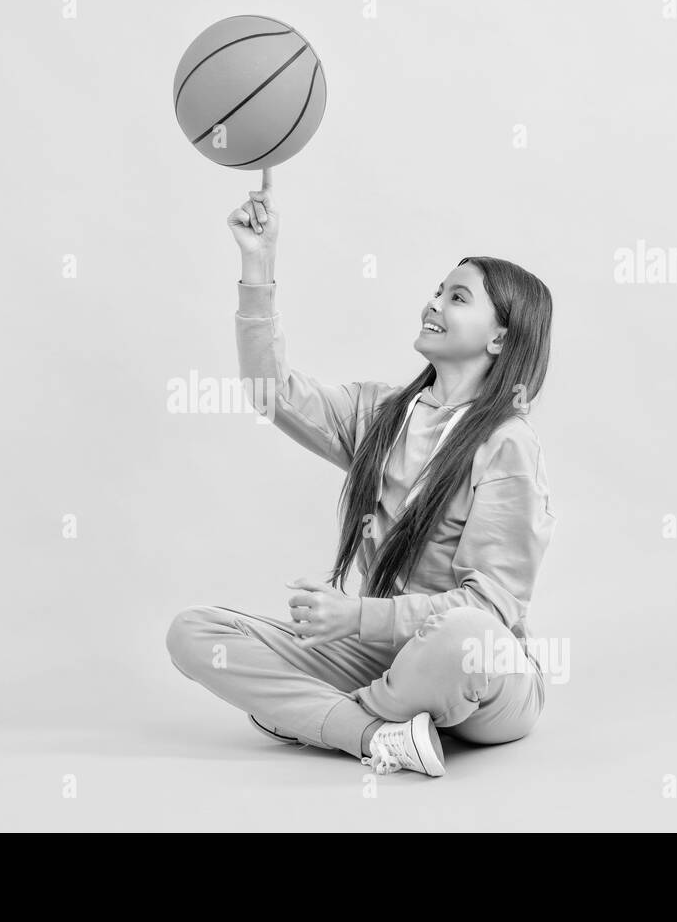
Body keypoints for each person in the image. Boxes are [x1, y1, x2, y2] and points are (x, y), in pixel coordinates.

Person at [165, 168, 558, 777]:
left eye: (458, 297)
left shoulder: (507, 444)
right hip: (380, 660)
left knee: (463, 635)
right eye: (437, 290)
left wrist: (355, 617)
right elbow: (274, 393)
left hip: (482, 674)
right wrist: (258, 268)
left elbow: (491, 609)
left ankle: (328, 719)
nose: (433, 303)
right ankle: (377, 734)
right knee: (193, 633)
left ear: (501, 338)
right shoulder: (381, 413)